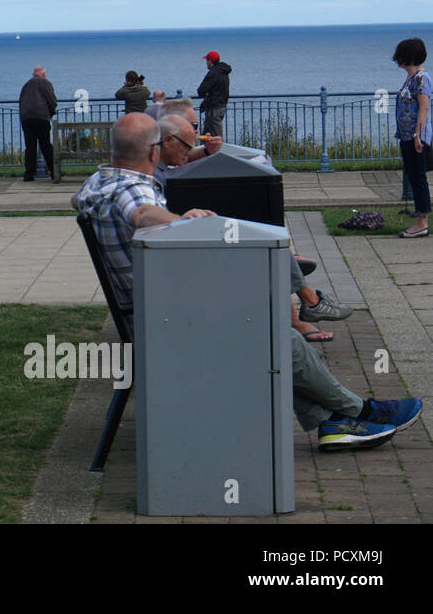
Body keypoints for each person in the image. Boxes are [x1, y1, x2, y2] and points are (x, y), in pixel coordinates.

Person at [75, 113, 421, 451]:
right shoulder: (133, 190)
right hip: (166, 328)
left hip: (151, 318)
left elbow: (77, 200)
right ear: (154, 152)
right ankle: (360, 411)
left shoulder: (99, 182)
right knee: (280, 339)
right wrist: (181, 221)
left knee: (267, 329)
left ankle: (333, 422)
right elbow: (142, 213)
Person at [156, 113, 350, 342]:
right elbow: (157, 223)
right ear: (167, 139)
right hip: (174, 269)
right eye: (188, 142)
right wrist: (183, 220)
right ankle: (306, 303)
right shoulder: (151, 177)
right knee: (264, 247)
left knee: (264, 241)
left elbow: (180, 162)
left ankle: (300, 299)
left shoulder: (156, 166)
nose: (189, 151)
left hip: (174, 256)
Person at [394, 37, 431, 238]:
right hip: (407, 135)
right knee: (414, 176)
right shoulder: (412, 78)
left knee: (418, 178)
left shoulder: (421, 78)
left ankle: (421, 222)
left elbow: (424, 107)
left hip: (416, 136)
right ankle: (420, 221)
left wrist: (418, 135)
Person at [18, 66, 58, 181]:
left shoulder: (26, 84)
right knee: (45, 145)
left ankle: (29, 174)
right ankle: (54, 171)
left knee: (30, 146)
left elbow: (21, 101)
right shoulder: (45, 83)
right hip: (41, 117)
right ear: (43, 74)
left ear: (34, 74)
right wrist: (50, 113)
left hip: (26, 117)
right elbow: (52, 100)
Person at [197, 51, 232, 138]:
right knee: (206, 136)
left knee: (216, 138)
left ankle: (219, 151)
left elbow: (201, 90)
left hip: (214, 109)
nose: (206, 63)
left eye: (207, 61)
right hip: (222, 106)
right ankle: (205, 151)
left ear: (210, 61)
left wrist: (206, 93)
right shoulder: (224, 72)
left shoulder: (213, 73)